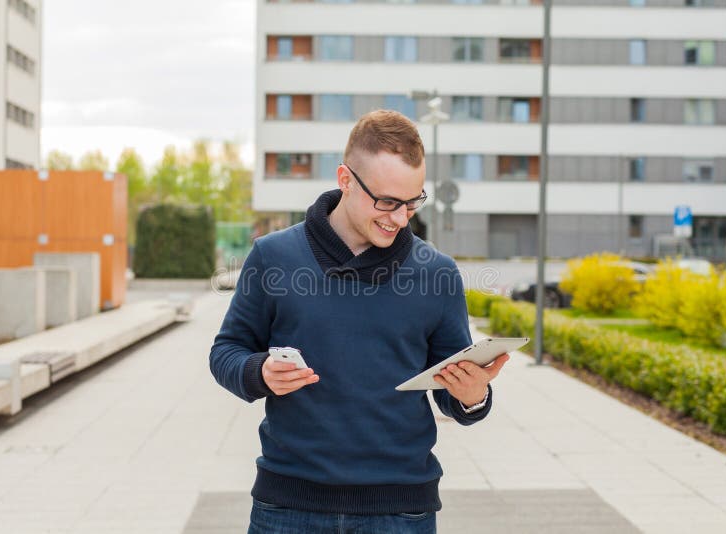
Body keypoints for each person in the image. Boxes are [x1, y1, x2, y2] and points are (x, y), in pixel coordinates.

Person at [209, 110, 509, 534]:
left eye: (412, 202)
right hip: (287, 508)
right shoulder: (273, 257)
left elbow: (451, 391)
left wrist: (473, 395)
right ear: (346, 179)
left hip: (401, 513)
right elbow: (225, 352)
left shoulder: (436, 273)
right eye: (387, 201)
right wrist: (258, 372)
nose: (400, 217)